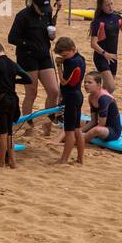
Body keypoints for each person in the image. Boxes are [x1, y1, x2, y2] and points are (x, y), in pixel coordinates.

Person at [9, 0, 60, 124]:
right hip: (27, 57)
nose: (44, 11)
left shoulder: (47, 13)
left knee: (54, 90)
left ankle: (47, 120)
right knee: (32, 92)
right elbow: (12, 38)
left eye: (46, 8)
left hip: (44, 55)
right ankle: (27, 123)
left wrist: (52, 36)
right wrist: (29, 44)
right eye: (41, 8)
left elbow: (49, 28)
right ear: (34, 5)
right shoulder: (23, 16)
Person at [0, 41, 32, 167]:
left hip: (1, 100)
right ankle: (12, 161)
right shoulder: (13, 63)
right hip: (13, 100)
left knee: (2, 133)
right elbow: (28, 79)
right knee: (10, 132)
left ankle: (1, 162)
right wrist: (14, 80)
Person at [89, 0, 122, 88]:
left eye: (111, 4)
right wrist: (105, 54)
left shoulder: (118, 18)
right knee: (110, 87)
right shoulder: (99, 21)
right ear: (101, 6)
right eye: (107, 5)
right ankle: (95, 100)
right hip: (101, 57)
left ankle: (97, 101)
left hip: (113, 57)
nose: (110, 7)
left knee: (106, 89)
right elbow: (93, 44)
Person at [54, 37, 86, 165]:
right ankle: (80, 159)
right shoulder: (80, 58)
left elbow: (63, 81)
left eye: (65, 55)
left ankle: (63, 159)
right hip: (77, 95)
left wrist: (59, 66)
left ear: (72, 49)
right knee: (77, 130)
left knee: (69, 131)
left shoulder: (71, 62)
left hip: (71, 98)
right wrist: (64, 60)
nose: (64, 57)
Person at [82, 75, 122, 145]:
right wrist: (80, 131)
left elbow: (101, 124)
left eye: (89, 82)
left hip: (113, 131)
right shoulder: (91, 97)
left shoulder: (104, 98)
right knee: (77, 122)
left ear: (98, 85)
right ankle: (74, 137)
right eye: (85, 82)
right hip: (100, 126)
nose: (86, 84)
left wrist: (83, 133)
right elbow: (93, 121)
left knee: (96, 130)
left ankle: (76, 140)